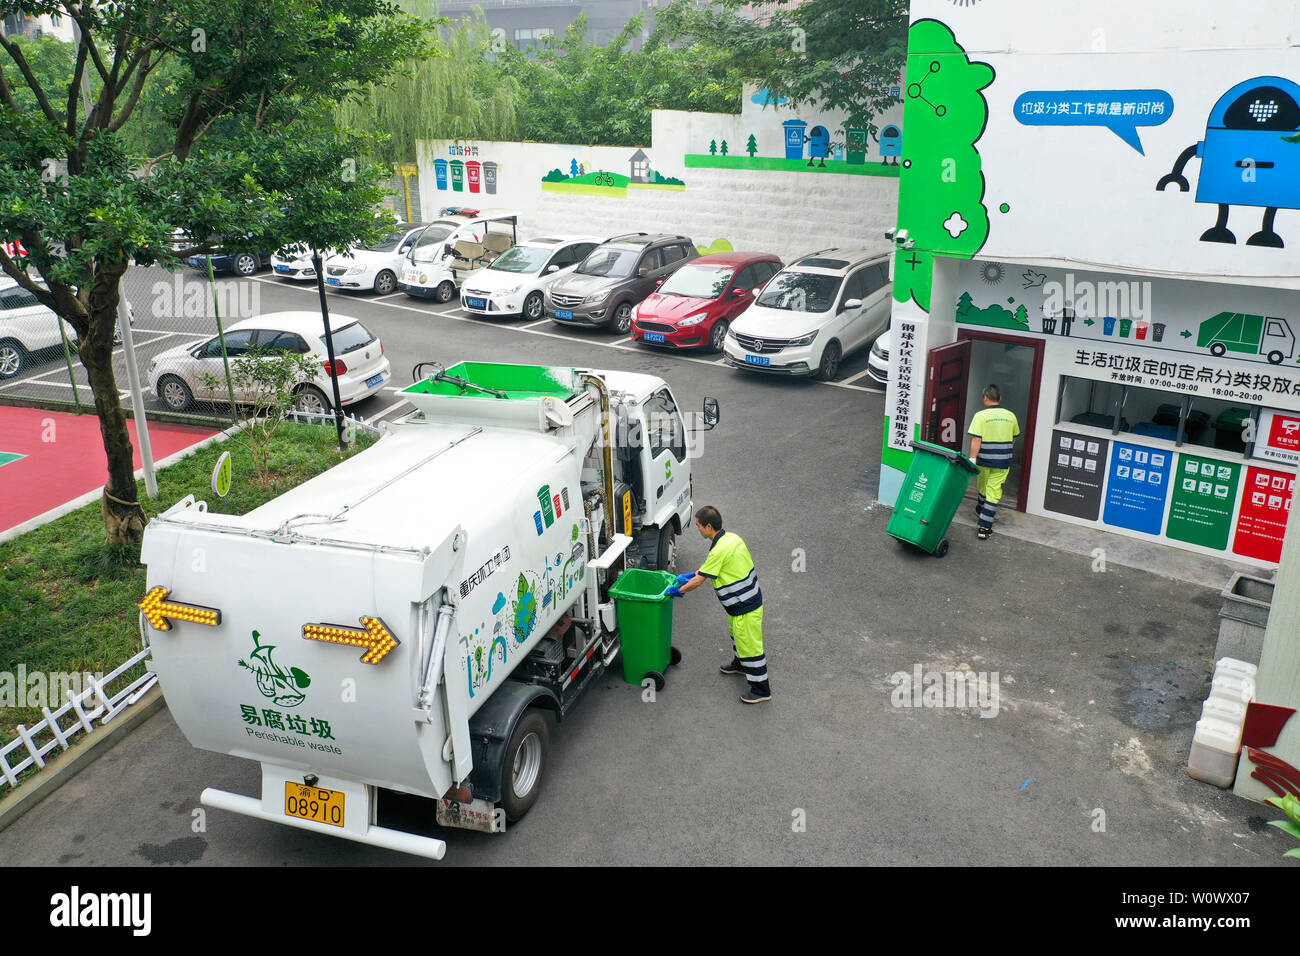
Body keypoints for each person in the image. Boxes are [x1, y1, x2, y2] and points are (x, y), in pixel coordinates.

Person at [664, 505, 770, 704]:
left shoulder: (718, 550)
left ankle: (761, 689)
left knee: (751, 647)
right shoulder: (731, 539)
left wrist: (677, 591)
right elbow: (710, 570)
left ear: (709, 526)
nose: (697, 529)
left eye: (698, 526)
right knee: (738, 636)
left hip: (745, 607)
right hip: (743, 603)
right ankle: (740, 664)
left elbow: (699, 580)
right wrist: (690, 575)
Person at [967, 384, 1021, 541]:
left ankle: (983, 523)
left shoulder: (980, 416)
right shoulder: (1011, 416)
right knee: (994, 490)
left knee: (983, 485)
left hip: (984, 459)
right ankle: (984, 523)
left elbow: (977, 439)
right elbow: (1014, 436)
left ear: (985, 398)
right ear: (1000, 399)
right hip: (1002, 460)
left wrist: (972, 459)